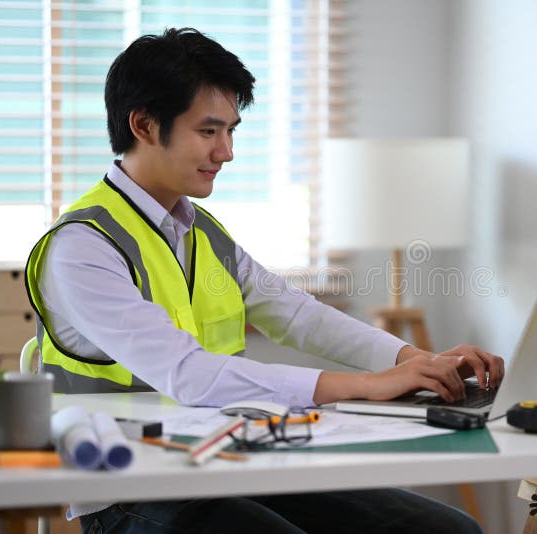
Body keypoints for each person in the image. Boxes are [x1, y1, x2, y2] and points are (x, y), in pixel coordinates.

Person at [25, 27, 504, 534]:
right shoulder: (82, 246)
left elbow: (299, 315)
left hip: (227, 458)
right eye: (209, 132)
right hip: (128, 489)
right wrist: (369, 384)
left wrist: (418, 362)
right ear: (143, 125)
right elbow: (188, 374)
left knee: (446, 529)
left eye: (231, 130)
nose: (226, 151)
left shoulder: (200, 232)